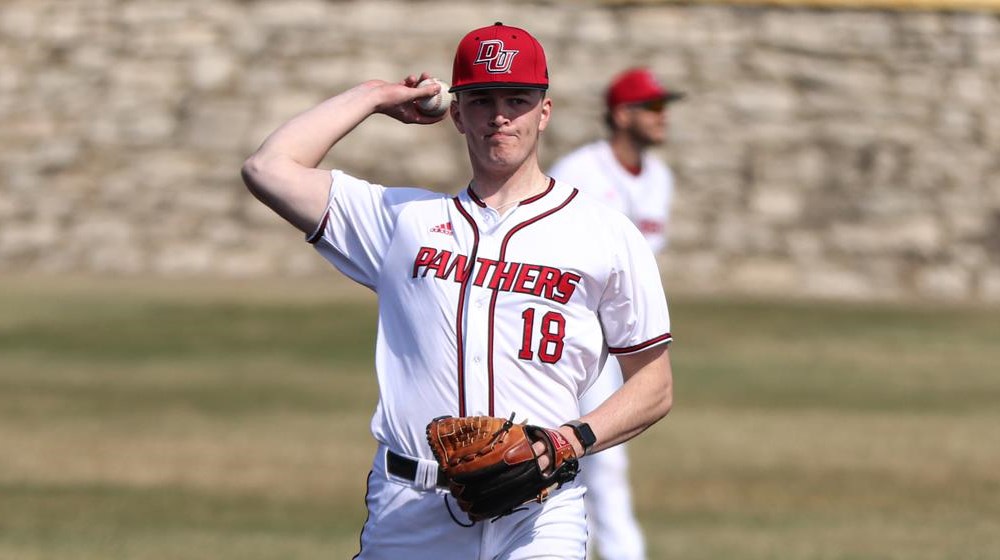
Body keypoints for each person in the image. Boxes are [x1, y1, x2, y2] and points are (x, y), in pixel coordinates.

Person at [241, 23, 674, 560]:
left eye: (517, 99)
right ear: (456, 112)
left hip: (542, 512)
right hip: (410, 509)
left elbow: (654, 384)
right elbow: (268, 167)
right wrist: (376, 96)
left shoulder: (605, 234)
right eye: (482, 99)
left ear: (544, 111)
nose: (500, 115)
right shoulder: (403, 222)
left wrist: (565, 442)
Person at [549, 67, 684, 560]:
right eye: (652, 107)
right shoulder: (577, 172)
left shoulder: (660, 179)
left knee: (603, 458)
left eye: (662, 106)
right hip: (568, 338)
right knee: (579, 457)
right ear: (621, 114)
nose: (662, 116)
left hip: (620, 341)